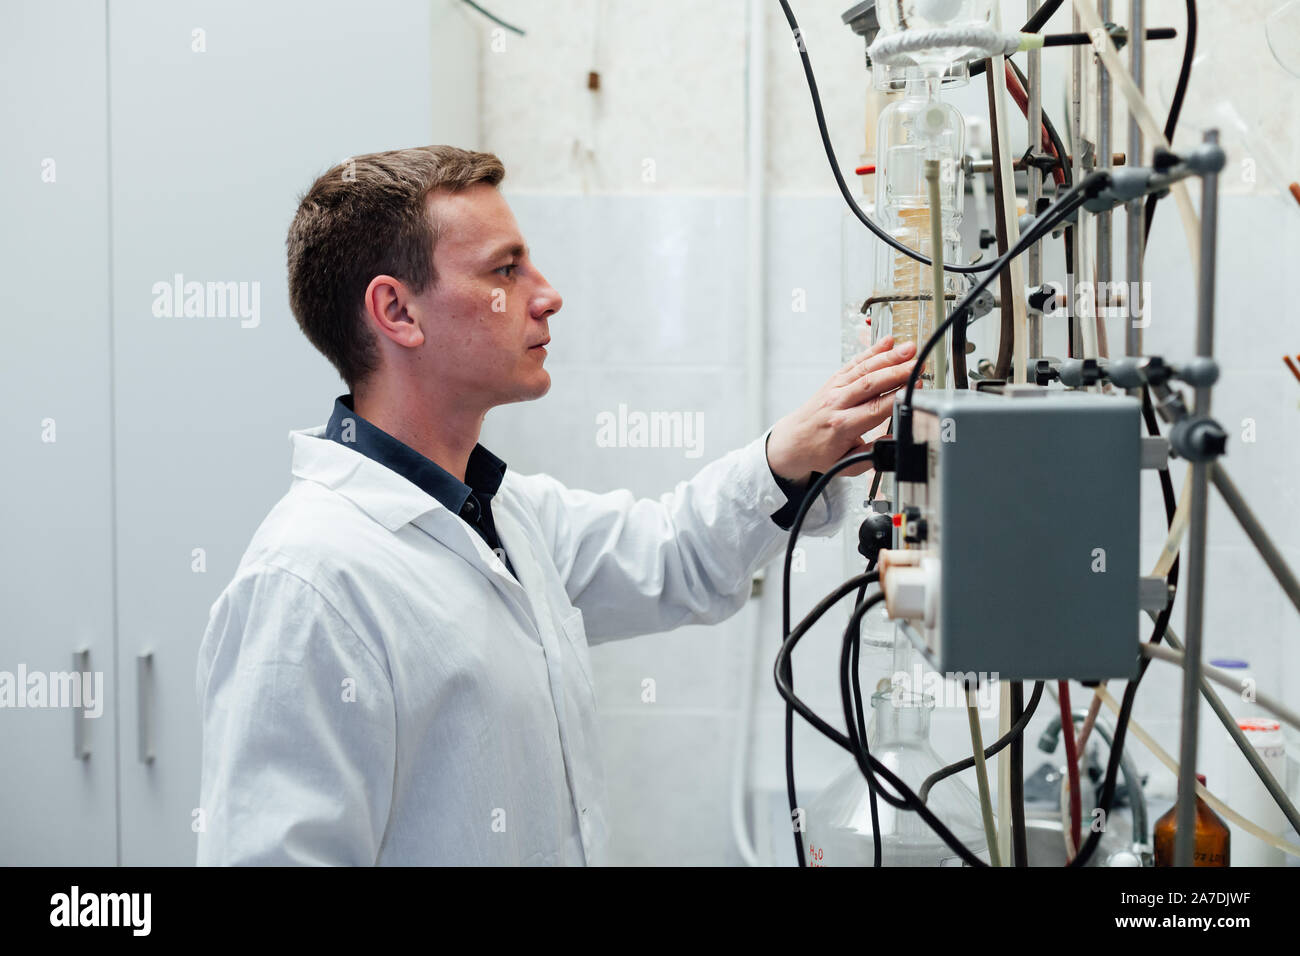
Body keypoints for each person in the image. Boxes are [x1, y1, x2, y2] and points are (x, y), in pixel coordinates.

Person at [195, 145, 917, 865]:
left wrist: (796, 452)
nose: (546, 294)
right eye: (505, 270)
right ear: (397, 311)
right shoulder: (310, 582)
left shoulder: (502, 514)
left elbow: (672, 555)